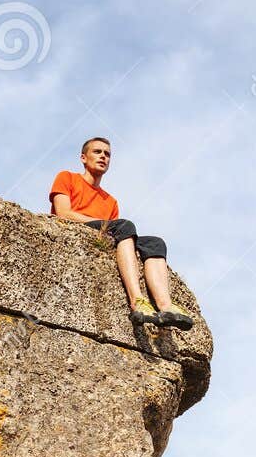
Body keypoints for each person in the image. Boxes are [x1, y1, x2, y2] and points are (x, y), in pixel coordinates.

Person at [49, 137, 194, 328]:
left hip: (107, 232)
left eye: (107, 154)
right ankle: (137, 302)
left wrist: (112, 227)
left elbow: (119, 237)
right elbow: (63, 213)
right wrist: (106, 225)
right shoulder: (67, 177)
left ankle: (165, 307)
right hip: (76, 228)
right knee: (123, 226)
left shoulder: (110, 201)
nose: (103, 157)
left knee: (155, 243)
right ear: (83, 158)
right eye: (97, 152)